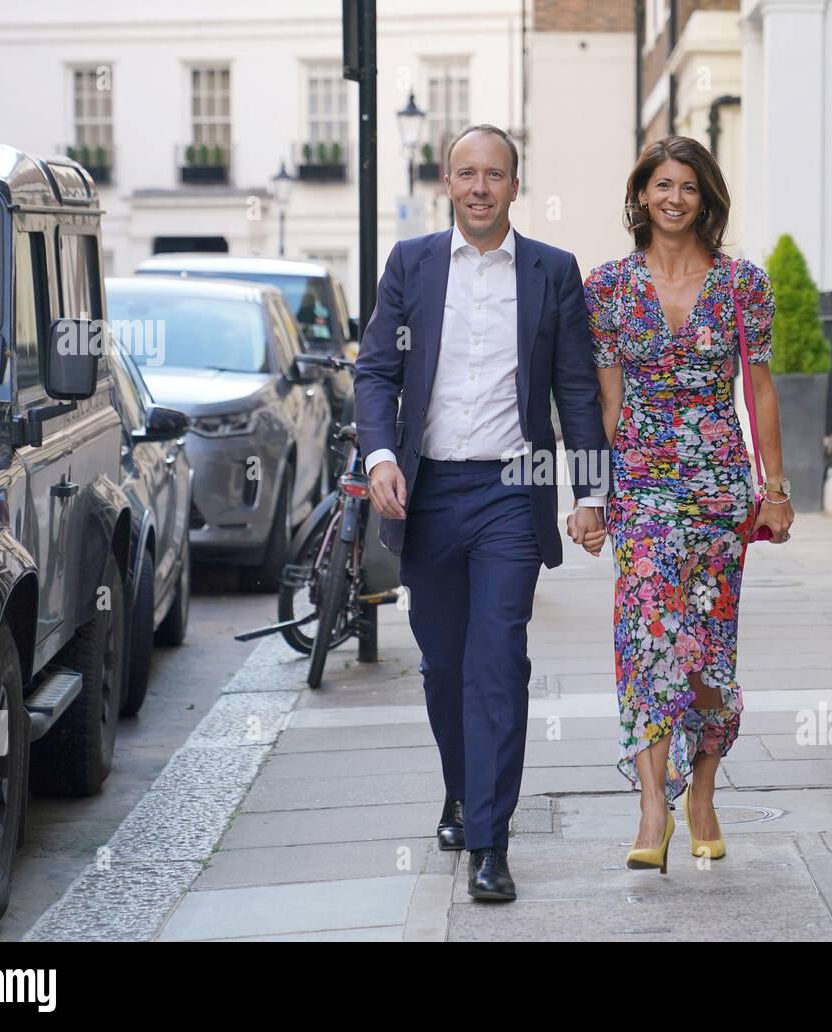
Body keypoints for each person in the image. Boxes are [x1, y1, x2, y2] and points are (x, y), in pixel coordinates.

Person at [354, 124, 609, 903]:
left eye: (493, 174)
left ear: (513, 185)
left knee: (498, 660)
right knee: (443, 665)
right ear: (447, 182)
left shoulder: (552, 272)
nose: (479, 188)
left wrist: (592, 493)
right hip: (427, 492)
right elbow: (375, 371)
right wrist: (381, 458)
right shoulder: (412, 264)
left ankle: (491, 845)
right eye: (466, 174)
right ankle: (462, 790)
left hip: (510, 491)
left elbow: (576, 388)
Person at [581, 135, 792, 874]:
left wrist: (775, 488)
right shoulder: (606, 287)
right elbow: (603, 400)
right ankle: (650, 806)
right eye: (661, 185)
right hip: (642, 487)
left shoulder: (743, 284)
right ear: (640, 195)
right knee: (647, 640)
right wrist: (597, 495)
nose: (674, 198)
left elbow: (760, 388)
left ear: (707, 200)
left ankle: (701, 792)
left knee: (704, 648)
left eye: (689, 188)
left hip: (717, 492)